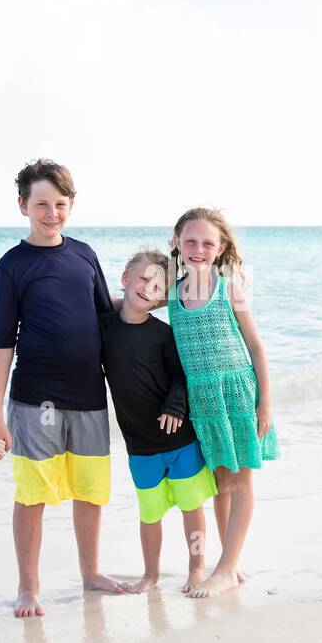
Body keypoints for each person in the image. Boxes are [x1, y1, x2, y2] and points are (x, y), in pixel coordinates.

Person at [0, 158, 127, 618]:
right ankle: (29, 587)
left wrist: (151, 295)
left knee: (90, 490)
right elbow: (2, 345)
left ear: (71, 206)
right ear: (23, 205)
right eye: (41, 204)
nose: (51, 213)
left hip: (88, 395)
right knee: (33, 493)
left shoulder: (84, 254)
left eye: (60, 204)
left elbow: (107, 315)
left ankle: (91, 574)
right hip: (34, 398)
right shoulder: (11, 267)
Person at [167, 207, 278, 598]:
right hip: (203, 400)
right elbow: (131, 303)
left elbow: (256, 348)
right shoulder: (171, 291)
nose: (198, 249)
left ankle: (228, 567)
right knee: (219, 481)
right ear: (177, 241)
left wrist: (265, 404)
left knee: (240, 477)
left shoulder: (228, 287)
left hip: (236, 394)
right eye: (191, 241)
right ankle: (228, 562)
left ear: (221, 247)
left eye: (207, 243)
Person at [100, 249, 217, 593]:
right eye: (142, 278)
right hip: (140, 445)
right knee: (149, 513)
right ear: (125, 279)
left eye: (157, 285)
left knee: (191, 507)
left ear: (162, 297)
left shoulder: (163, 334)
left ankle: (197, 568)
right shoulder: (104, 328)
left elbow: (181, 376)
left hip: (179, 439)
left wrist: (175, 407)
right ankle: (150, 574)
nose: (148, 287)